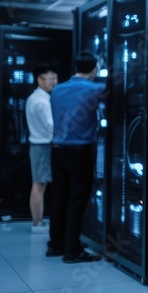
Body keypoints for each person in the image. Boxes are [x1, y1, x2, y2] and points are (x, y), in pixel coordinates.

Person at [47, 50, 107, 263]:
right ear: (95, 68)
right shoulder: (97, 88)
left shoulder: (57, 89)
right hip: (80, 152)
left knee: (58, 198)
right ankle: (73, 251)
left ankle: (55, 245)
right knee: (77, 200)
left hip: (57, 151)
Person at [25, 62, 57, 233]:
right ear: (40, 79)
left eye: (55, 78)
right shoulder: (42, 101)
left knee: (39, 183)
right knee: (39, 185)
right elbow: (51, 126)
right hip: (43, 146)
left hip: (37, 145)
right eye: (51, 78)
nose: (54, 82)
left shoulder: (34, 97)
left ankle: (38, 222)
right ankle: (38, 223)